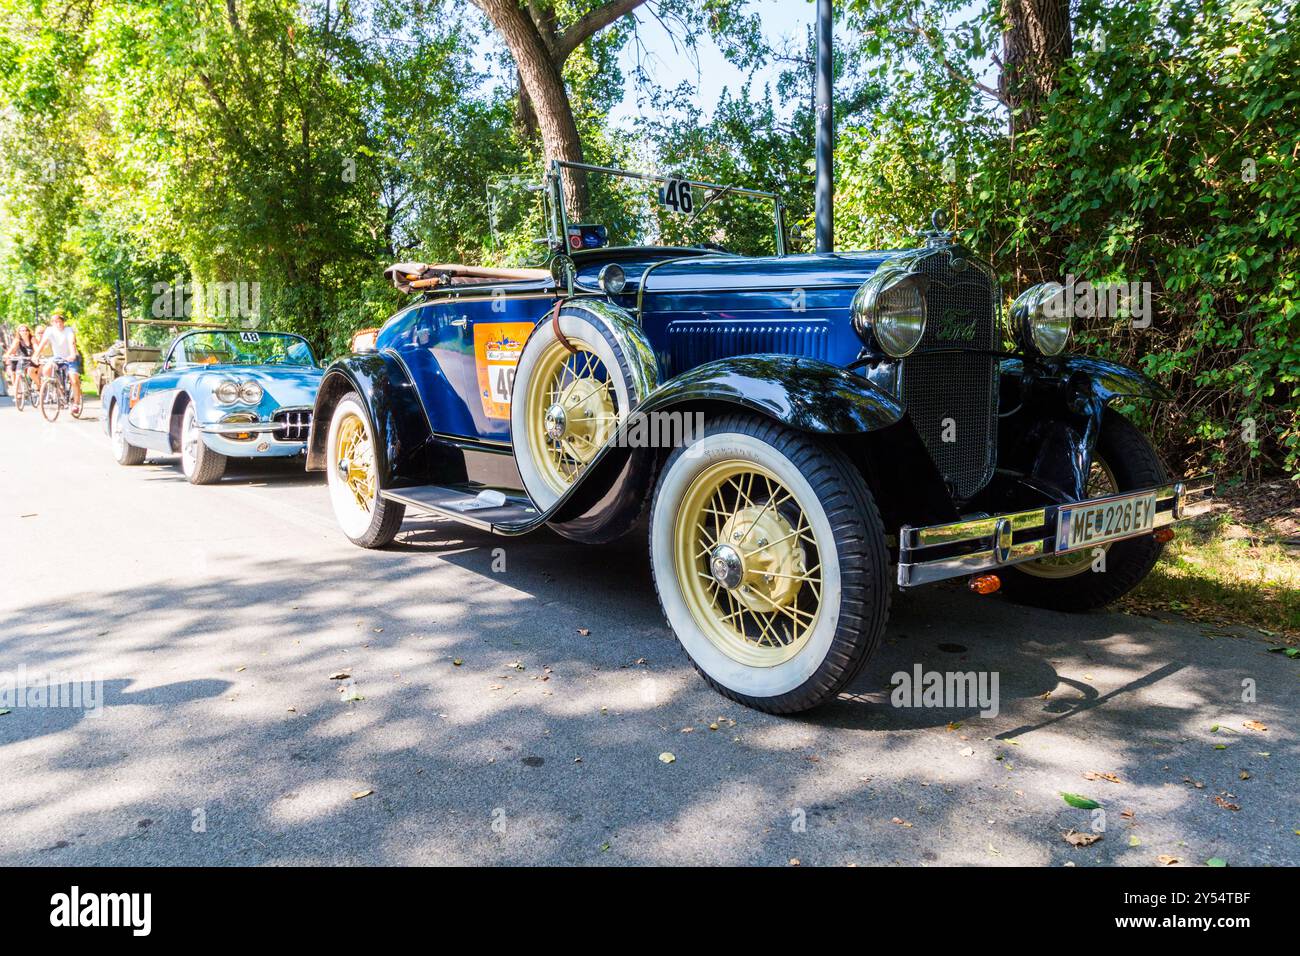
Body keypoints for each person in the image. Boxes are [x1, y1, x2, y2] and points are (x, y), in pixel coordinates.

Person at [35, 312, 82, 414]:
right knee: (46, 369)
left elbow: (71, 342)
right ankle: (59, 389)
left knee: (73, 379)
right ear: (52, 323)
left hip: (70, 357)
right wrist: (35, 355)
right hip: (58, 357)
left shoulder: (68, 330)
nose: (58, 324)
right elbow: (42, 344)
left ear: (63, 322)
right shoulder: (49, 330)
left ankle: (76, 403)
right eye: (55, 322)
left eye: (60, 321)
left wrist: (73, 354)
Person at [2, 323, 40, 399]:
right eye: (21, 330)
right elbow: (12, 348)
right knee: (18, 373)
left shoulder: (32, 338)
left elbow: (36, 348)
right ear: (19, 332)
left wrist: (35, 356)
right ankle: (19, 392)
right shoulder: (17, 340)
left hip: (32, 359)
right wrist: (7, 355)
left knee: (30, 372)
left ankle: (39, 385)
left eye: (25, 330)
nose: (24, 332)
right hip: (23, 359)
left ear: (28, 331)